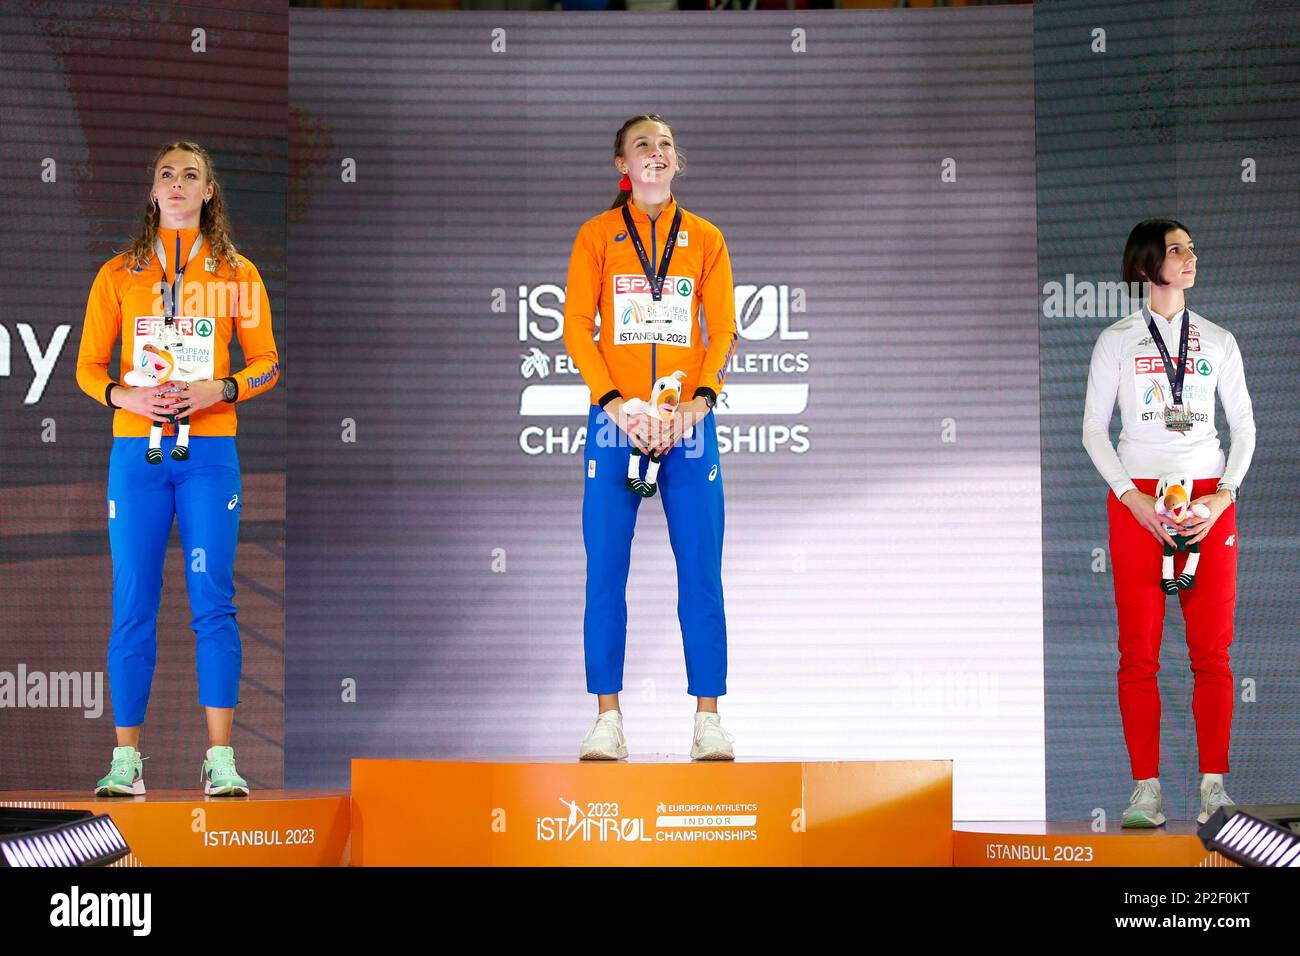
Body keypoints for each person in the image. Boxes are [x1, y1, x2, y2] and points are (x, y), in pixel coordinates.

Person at [76, 141, 281, 796]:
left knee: (212, 602)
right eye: (166, 172)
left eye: (191, 174)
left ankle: (219, 759)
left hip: (208, 455)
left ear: (209, 192)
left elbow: (268, 362)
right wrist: (124, 396)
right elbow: (86, 367)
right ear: (153, 190)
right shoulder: (118, 274)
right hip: (137, 452)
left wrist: (221, 387)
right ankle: (126, 762)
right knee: (132, 601)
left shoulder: (236, 274)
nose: (177, 182)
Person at [563, 114, 740, 760]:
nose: (656, 153)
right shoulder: (597, 237)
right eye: (643, 145)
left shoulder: (706, 239)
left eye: (665, 144)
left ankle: (708, 719)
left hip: (689, 429)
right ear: (623, 166)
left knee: (701, 570)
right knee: (605, 572)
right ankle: (607, 719)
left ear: (676, 162)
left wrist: (697, 404)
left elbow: (720, 331)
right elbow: (577, 328)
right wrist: (615, 405)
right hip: (618, 425)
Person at [1082, 219, 1256, 827]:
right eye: (1177, 250)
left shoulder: (1218, 340)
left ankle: (1214, 786)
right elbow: (1092, 432)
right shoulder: (1118, 340)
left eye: (1190, 249)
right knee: (1139, 654)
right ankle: (1145, 792)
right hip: (1139, 504)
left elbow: (1246, 427)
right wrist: (1132, 499)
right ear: (1145, 266)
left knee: (1212, 653)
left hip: (1208, 502)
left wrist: (1221, 498)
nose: (1191, 257)